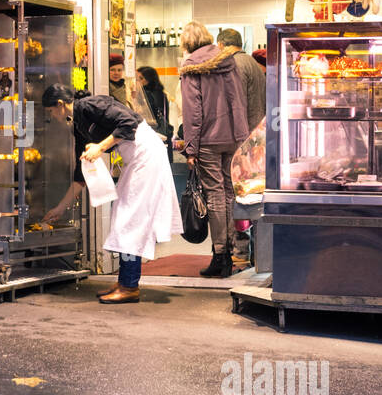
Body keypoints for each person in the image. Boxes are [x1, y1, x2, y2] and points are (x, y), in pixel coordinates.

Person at [41, 84, 181, 304]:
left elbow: (129, 122)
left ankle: (129, 286)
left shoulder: (90, 105)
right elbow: (81, 174)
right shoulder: (79, 124)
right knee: (122, 218)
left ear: (59, 105)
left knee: (129, 220)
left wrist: (100, 146)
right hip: (135, 160)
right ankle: (125, 281)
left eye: (50, 112)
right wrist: (60, 208)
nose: (51, 117)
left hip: (146, 156)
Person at [180, 21, 249, 278]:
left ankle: (220, 255)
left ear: (187, 43)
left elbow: (193, 110)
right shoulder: (227, 62)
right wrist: (242, 136)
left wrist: (191, 148)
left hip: (208, 139)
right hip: (232, 136)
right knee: (229, 192)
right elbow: (238, 100)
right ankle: (230, 251)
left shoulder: (191, 67)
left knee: (215, 195)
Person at [217, 29, 266, 132]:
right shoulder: (251, 61)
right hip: (258, 126)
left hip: (246, 131)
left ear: (221, 45)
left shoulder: (235, 64)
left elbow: (238, 102)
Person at [135, 65, 172, 145]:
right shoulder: (158, 92)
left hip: (155, 133)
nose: (137, 81)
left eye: (141, 78)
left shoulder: (152, 94)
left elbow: (152, 113)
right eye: (136, 78)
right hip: (157, 133)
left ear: (149, 79)